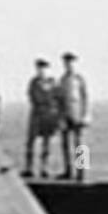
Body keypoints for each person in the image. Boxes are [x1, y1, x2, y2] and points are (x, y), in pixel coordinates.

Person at [22, 58, 61, 178]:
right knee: (33, 142)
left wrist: (85, 114)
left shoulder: (77, 79)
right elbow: (33, 96)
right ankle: (31, 167)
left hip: (75, 116)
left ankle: (82, 169)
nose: (42, 71)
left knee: (81, 145)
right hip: (40, 115)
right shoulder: (35, 82)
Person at [56, 52, 91, 180]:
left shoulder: (80, 79)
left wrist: (86, 114)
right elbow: (59, 99)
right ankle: (68, 170)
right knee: (65, 144)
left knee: (80, 145)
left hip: (78, 112)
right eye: (66, 63)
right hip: (66, 113)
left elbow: (85, 96)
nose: (69, 65)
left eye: (71, 63)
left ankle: (82, 172)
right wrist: (61, 117)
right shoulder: (62, 80)